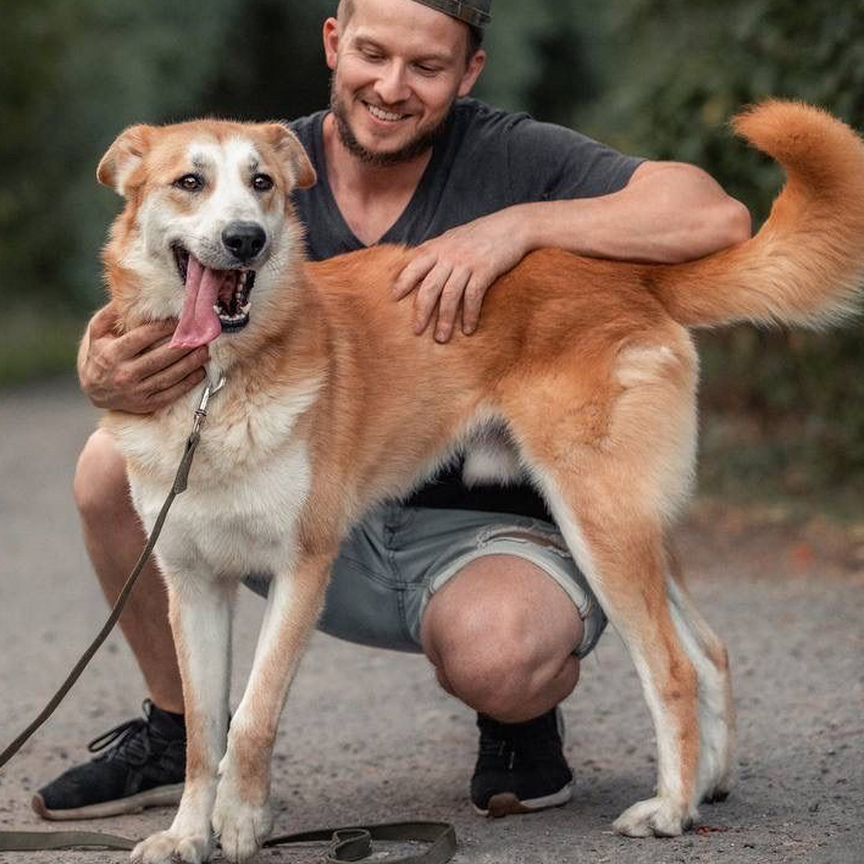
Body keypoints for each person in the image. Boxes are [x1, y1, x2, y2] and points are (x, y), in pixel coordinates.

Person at [33, 0, 751, 822]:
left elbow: (717, 220)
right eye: (373, 53)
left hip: (476, 529)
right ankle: (176, 733)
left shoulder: (512, 155)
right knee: (107, 465)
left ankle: (528, 725)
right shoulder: (267, 153)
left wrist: (513, 229)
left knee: (524, 630)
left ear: (469, 71)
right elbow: (143, 296)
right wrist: (102, 366)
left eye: (427, 66)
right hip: (337, 499)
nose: (392, 86)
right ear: (334, 43)